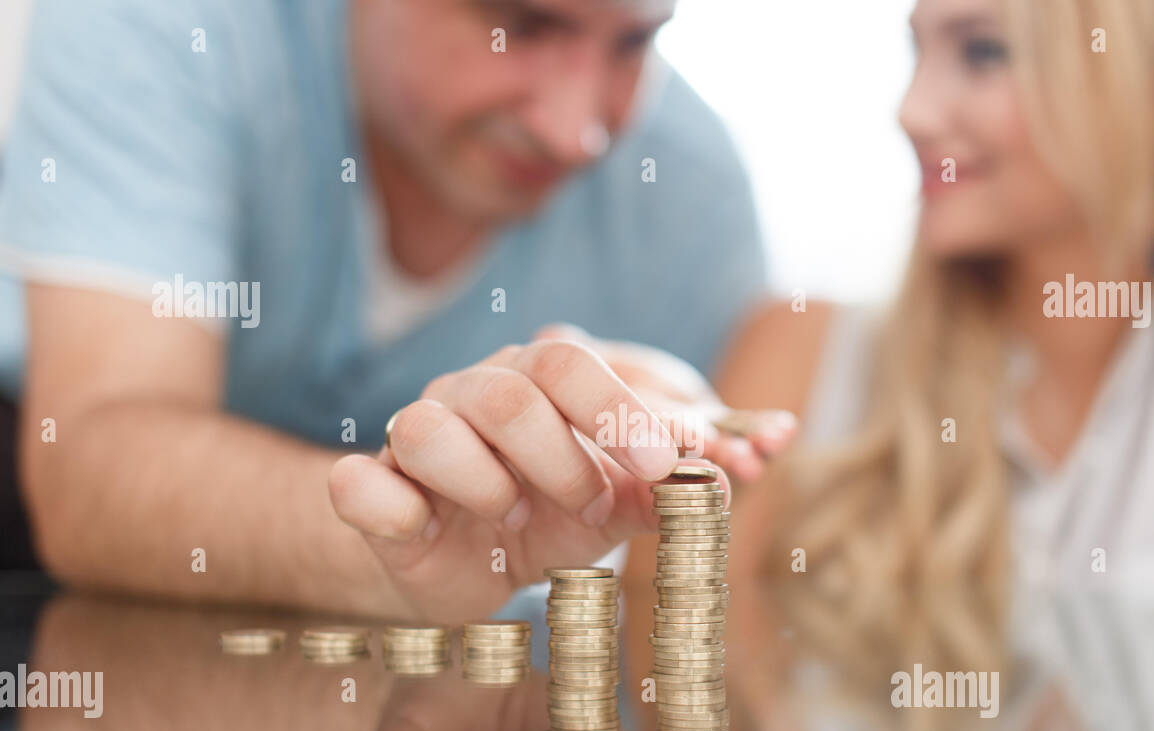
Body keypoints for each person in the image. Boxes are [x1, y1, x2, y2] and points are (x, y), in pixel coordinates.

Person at [625, 0, 1154, 731]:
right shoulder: (799, 356)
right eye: (918, 51)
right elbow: (667, 702)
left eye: (983, 53)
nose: (912, 110)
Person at [0, 0, 795, 620]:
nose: (576, 130)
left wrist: (660, 452)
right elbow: (93, 466)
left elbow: (695, 575)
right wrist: (406, 545)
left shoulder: (692, 192)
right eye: (521, 23)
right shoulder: (165, 27)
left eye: (635, 42)